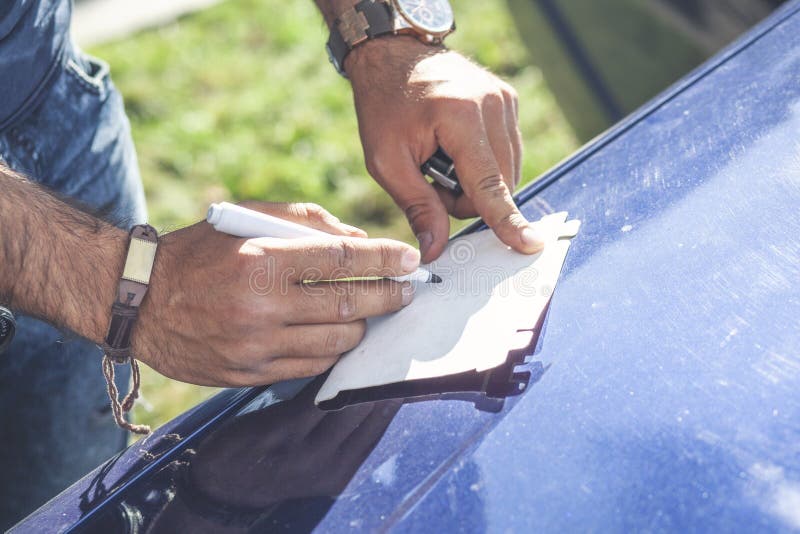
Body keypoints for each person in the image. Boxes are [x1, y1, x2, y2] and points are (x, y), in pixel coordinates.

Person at [0, 0, 542, 527]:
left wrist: (384, 35)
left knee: (64, 479)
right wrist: (112, 283)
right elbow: (116, 285)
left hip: (40, 88)